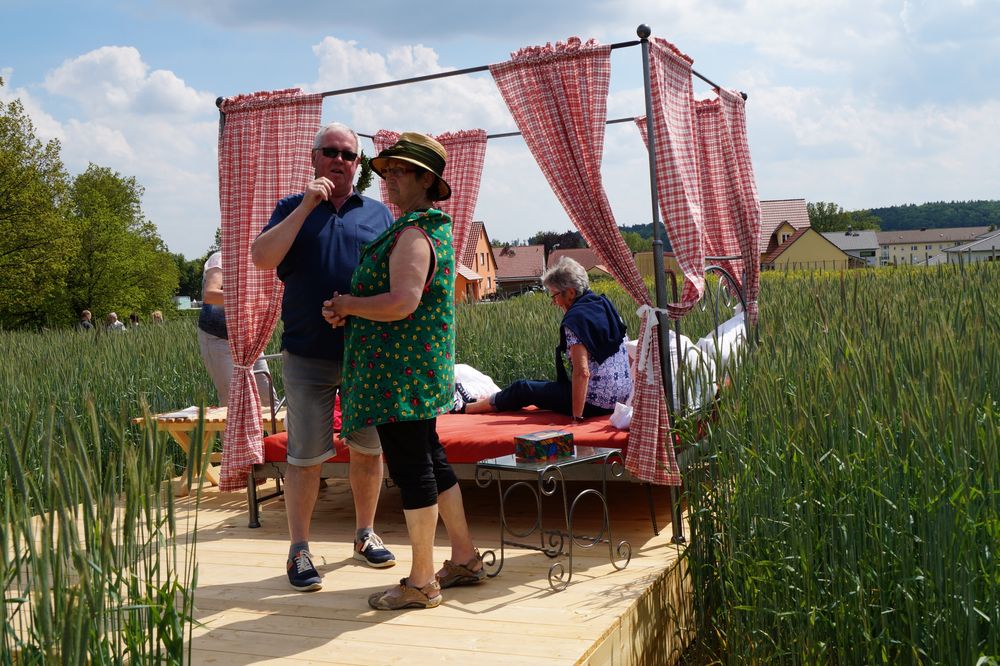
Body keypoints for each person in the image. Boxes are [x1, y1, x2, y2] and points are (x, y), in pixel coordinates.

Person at [324, 132, 484, 611]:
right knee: (431, 460)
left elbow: (402, 302)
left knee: (414, 469)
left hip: (401, 377)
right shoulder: (420, 226)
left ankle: (420, 581)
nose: (387, 178)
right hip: (409, 372)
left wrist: (350, 303)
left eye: (398, 171)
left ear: (426, 179)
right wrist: (351, 311)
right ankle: (463, 558)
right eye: (387, 170)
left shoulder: (415, 233)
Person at [252, 121, 396, 592]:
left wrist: (354, 311)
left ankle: (364, 533)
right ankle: (299, 550)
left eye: (348, 154)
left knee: (368, 450)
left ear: (359, 166)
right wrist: (308, 205)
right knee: (305, 455)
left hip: (366, 354)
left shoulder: (377, 215)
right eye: (330, 151)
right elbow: (262, 258)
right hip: (307, 352)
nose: (339, 160)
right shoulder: (291, 208)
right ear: (313, 159)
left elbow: (395, 278)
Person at [465, 256, 632, 422]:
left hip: (596, 403)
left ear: (571, 293)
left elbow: (582, 373)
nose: (554, 302)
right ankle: (479, 403)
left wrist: (577, 418)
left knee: (523, 388)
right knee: (541, 386)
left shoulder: (576, 319)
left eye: (554, 296)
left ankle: (466, 407)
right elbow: (626, 348)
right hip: (621, 398)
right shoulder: (604, 304)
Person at [197, 250, 272, 407]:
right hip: (218, 338)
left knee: (269, 400)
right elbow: (210, 294)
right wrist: (250, 298)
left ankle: (274, 432)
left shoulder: (260, 263)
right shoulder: (220, 258)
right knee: (233, 402)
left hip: (249, 339)